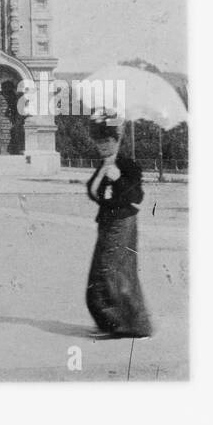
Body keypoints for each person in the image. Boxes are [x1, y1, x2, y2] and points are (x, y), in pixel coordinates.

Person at [84, 116, 153, 339]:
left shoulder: (127, 165)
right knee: (99, 273)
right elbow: (93, 191)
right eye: (100, 142)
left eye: (107, 142)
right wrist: (106, 178)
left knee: (112, 272)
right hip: (106, 222)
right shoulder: (104, 165)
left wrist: (119, 179)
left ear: (116, 141)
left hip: (122, 222)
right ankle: (110, 322)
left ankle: (131, 325)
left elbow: (136, 197)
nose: (103, 146)